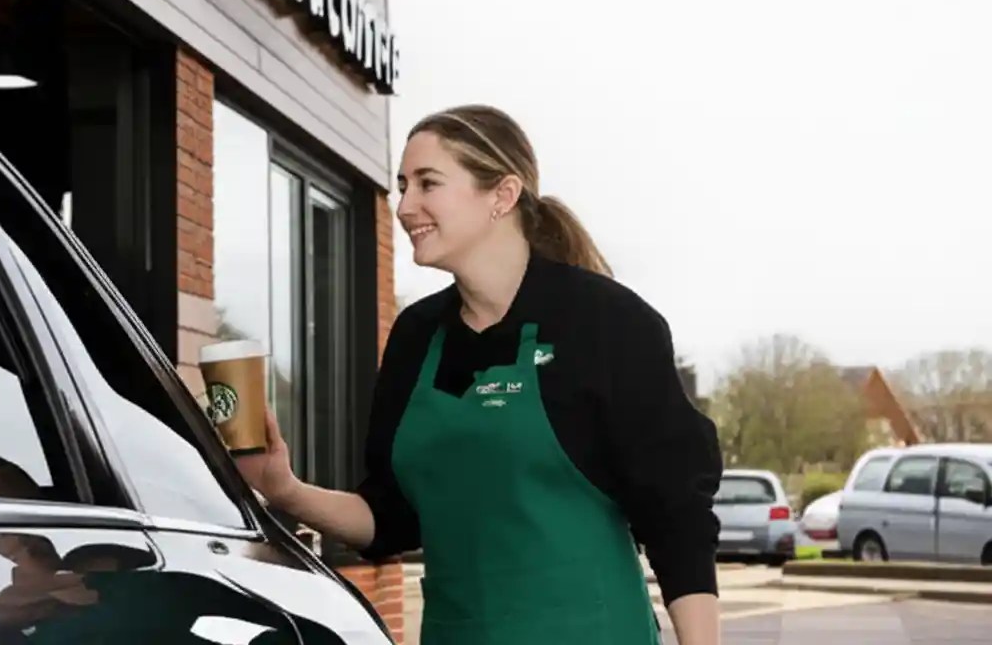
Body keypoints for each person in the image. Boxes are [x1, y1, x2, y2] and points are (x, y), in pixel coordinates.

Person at [234, 104, 724, 645]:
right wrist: (283, 488)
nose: (405, 206)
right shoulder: (417, 337)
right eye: (402, 186)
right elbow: (391, 518)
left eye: (427, 183)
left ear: (502, 195)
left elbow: (676, 516)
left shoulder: (606, 323)